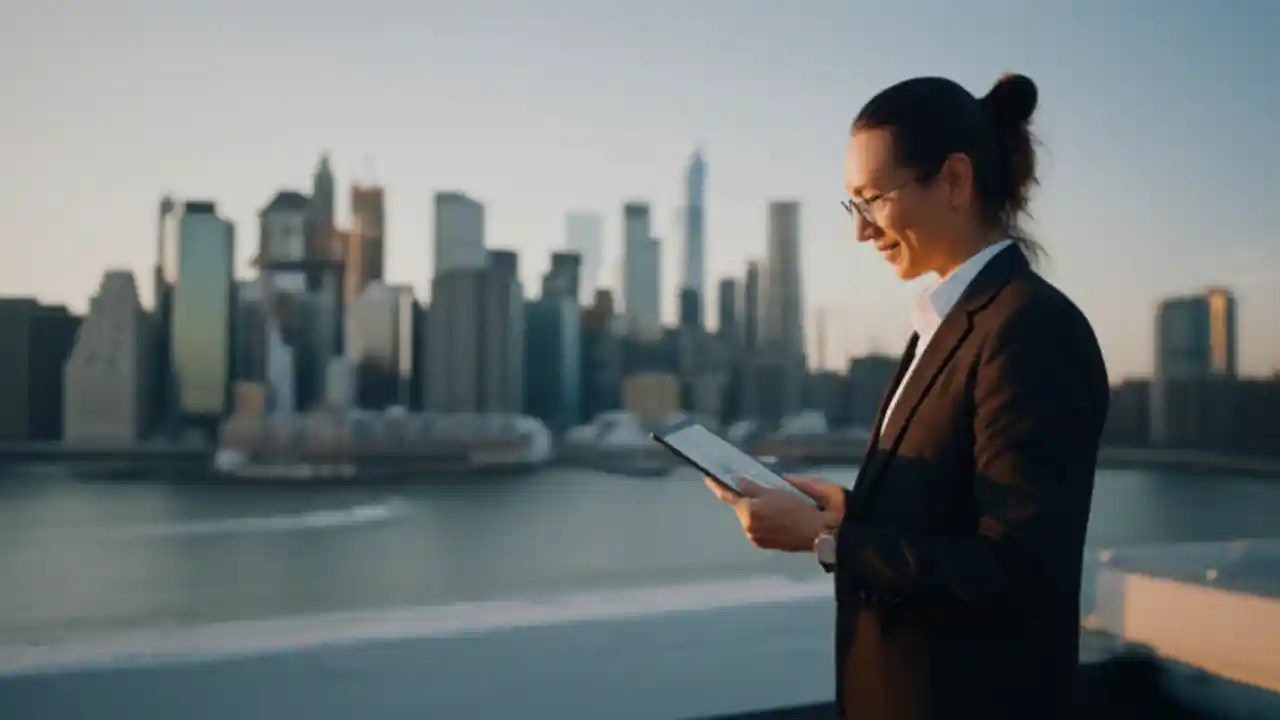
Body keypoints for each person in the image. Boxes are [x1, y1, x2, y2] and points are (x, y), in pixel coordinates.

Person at [706, 73, 1110, 719]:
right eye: (853, 206)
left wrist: (831, 542)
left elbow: (1018, 570)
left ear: (953, 180)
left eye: (873, 200)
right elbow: (950, 514)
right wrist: (849, 512)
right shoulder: (950, 321)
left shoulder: (1030, 330)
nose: (861, 232)